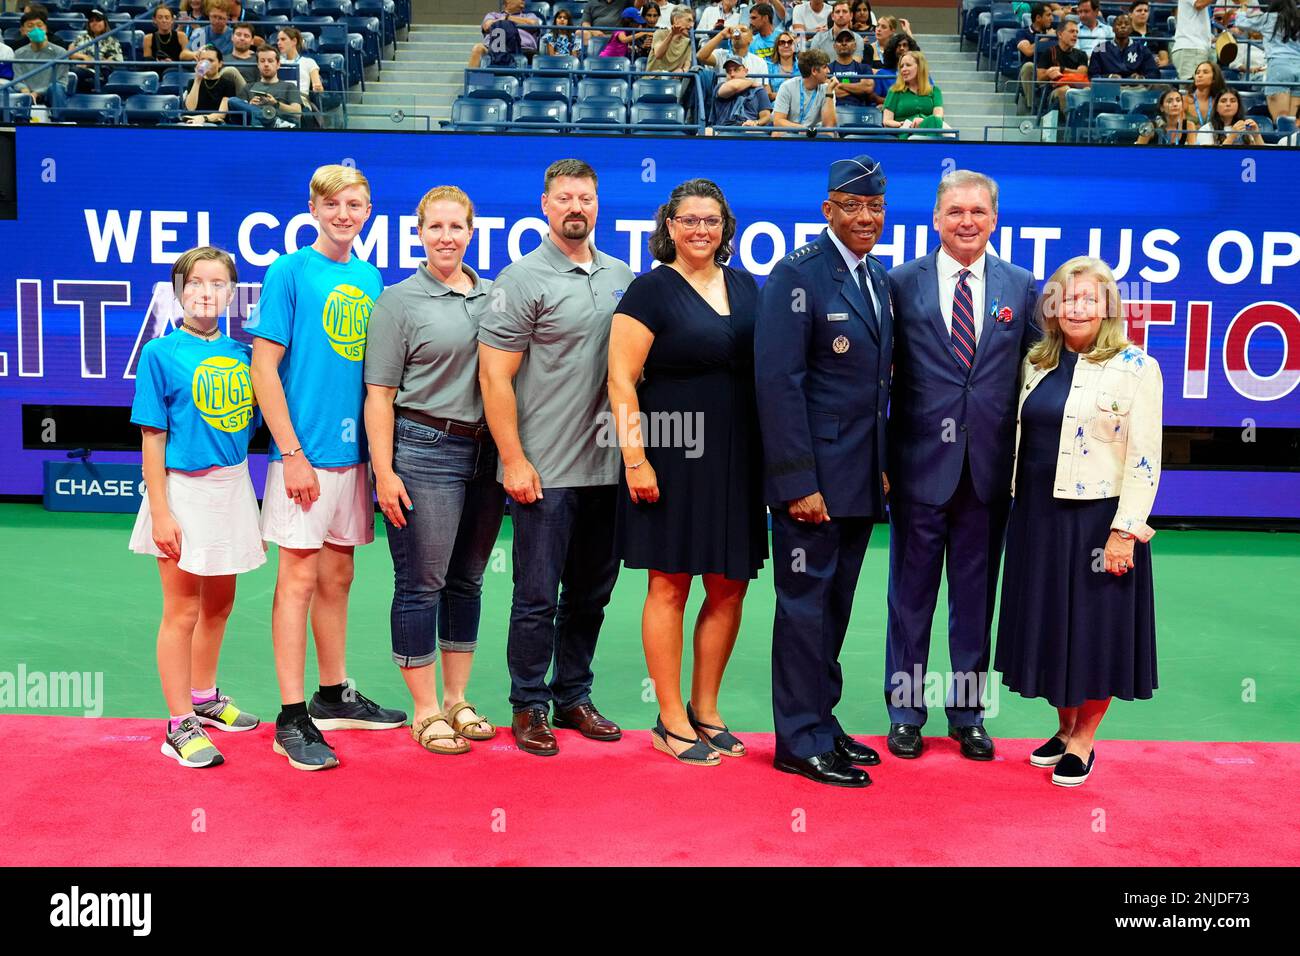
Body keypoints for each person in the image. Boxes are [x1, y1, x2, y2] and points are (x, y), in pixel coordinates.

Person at [247, 165, 407, 771]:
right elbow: (264, 369)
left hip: (353, 460)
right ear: (313, 206)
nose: (346, 214)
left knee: (338, 577)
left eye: (357, 205)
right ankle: (291, 718)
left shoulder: (369, 277)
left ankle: (334, 694)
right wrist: (291, 454)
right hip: (303, 457)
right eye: (335, 204)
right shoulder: (289, 271)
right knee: (297, 581)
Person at [477, 159, 636, 758]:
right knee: (536, 596)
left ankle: (573, 695)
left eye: (586, 198)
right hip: (543, 471)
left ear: (598, 205)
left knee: (592, 594)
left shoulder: (621, 276)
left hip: (607, 471)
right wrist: (513, 460)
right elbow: (495, 377)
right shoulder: (520, 280)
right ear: (545, 205)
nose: (577, 207)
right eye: (565, 197)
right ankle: (527, 703)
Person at [607, 180, 766, 766]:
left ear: (726, 227)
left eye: (711, 219)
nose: (701, 229)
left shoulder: (750, 287)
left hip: (739, 455)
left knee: (729, 583)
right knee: (669, 583)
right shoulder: (648, 290)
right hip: (670, 453)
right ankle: (670, 717)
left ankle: (706, 709)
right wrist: (635, 457)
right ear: (668, 225)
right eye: (689, 219)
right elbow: (621, 380)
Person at [883, 170, 1039, 762]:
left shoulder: (1021, 287)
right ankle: (904, 713)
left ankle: (968, 715)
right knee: (909, 600)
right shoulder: (899, 284)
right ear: (935, 219)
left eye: (977, 211)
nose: (966, 221)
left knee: (975, 602)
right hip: (918, 469)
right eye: (955, 212)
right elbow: (879, 380)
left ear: (994, 219)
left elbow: (1038, 374)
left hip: (988, 475)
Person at [996, 256, 1162, 788]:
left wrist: (1125, 531)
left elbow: (1145, 457)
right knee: (1047, 625)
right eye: (1066, 298)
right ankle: (1064, 728)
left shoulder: (1136, 367)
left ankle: (1086, 740)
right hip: (1037, 517)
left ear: (1109, 306)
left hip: (1097, 521)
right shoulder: (1036, 362)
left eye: (1089, 298)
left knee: (1095, 633)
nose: (1076, 307)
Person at [755, 155, 894, 788]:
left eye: (874, 207)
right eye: (852, 206)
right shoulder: (797, 276)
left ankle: (822, 719)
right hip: (812, 484)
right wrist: (797, 483)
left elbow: (877, 388)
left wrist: (882, 466)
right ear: (827, 210)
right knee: (804, 606)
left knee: (834, 607)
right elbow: (778, 386)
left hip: (860, 479)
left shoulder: (878, 280)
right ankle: (797, 739)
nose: (865, 217)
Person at [364, 187, 504, 757]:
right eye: (436, 227)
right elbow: (379, 395)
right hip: (422, 451)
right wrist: (384, 471)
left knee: (468, 579)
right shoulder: (398, 301)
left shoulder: (496, 296)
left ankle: (456, 698)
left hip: (488, 455)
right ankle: (424, 710)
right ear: (419, 233)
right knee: (422, 583)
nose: (447, 236)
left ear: (472, 231)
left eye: (457, 226)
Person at [129, 246, 266, 769]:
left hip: (233, 489)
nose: (206, 292)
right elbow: (152, 439)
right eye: (196, 283)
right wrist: (161, 511)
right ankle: (177, 722)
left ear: (231, 294)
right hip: (182, 493)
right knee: (182, 610)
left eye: (217, 284)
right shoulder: (160, 355)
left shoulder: (246, 355)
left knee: (219, 605)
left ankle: (205, 698)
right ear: (179, 291)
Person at [1233, 0, 1300, 121]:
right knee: (1295, 121)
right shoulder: (1298, 19)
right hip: (1298, 66)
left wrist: (1243, 8)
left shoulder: (1268, 18)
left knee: (1281, 119)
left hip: (1279, 66)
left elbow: (1241, 23)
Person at [227, 45, 301, 127]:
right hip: (253, 128)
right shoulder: (248, 87)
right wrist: (249, 105)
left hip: (278, 131)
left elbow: (297, 113)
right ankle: (272, 121)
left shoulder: (289, 86)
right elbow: (238, 114)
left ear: (278, 64)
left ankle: (269, 120)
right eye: (262, 61)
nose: (266, 64)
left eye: (270, 61)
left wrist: (275, 103)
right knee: (232, 100)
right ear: (258, 65)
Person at [772, 48, 837, 133]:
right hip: (791, 131)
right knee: (777, 133)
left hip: (816, 133)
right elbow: (778, 121)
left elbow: (829, 125)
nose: (828, 71)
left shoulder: (828, 88)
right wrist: (802, 129)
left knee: (829, 133)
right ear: (814, 71)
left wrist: (829, 93)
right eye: (824, 67)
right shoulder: (787, 86)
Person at [882, 50, 947, 134]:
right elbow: (886, 121)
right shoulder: (894, 91)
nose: (903, 69)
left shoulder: (935, 91)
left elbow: (938, 117)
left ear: (920, 67)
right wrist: (902, 124)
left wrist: (923, 122)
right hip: (907, 132)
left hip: (930, 130)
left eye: (908, 65)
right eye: (901, 66)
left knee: (935, 121)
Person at [10, 13, 68, 103]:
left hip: (50, 94)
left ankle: (58, 117)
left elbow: (61, 82)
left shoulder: (60, 52)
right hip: (26, 94)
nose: (36, 29)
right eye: (30, 26)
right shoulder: (19, 53)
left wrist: (38, 93)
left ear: (46, 28)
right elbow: (17, 79)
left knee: (56, 88)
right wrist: (24, 90)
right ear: (23, 30)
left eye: (39, 25)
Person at [1036, 18, 1089, 115]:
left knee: (1088, 90)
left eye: (1077, 32)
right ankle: (1070, 125)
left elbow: (1082, 73)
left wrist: (1062, 70)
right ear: (1060, 34)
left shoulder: (1081, 54)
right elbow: (1039, 79)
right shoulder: (1049, 52)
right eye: (1071, 31)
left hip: (1078, 87)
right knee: (1065, 90)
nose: (1075, 35)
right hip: (1054, 90)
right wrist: (1049, 74)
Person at [467, 0, 541, 68]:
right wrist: (503, 20)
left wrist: (508, 18)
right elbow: (487, 26)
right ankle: (474, 81)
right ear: (507, 1)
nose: (523, 0)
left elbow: (533, 24)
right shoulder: (493, 15)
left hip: (523, 50)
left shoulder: (529, 16)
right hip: (495, 50)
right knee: (478, 48)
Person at [1089, 13, 1160, 80]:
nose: (1123, 26)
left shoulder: (1142, 49)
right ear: (1113, 29)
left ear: (1131, 29)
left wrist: (1140, 78)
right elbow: (1092, 75)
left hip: (1136, 89)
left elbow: (1154, 73)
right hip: (1109, 87)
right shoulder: (1100, 48)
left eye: (1126, 24)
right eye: (1119, 24)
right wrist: (1109, 77)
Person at [708, 54, 774, 126]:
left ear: (745, 71)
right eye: (728, 71)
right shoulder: (720, 87)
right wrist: (751, 82)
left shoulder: (758, 90)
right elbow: (734, 87)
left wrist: (755, 123)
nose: (732, 74)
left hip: (749, 131)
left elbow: (766, 116)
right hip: (724, 131)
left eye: (736, 70)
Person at [69, 9, 123, 89]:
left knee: (74, 72)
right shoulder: (81, 37)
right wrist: (84, 57)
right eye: (91, 21)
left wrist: (91, 62)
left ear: (105, 23)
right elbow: (70, 52)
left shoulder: (111, 41)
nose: (94, 23)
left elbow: (117, 60)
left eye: (98, 20)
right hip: (77, 68)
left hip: (96, 73)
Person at [183, 45, 237, 124]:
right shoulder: (192, 82)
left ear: (220, 64)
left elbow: (221, 114)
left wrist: (203, 118)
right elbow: (190, 108)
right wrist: (197, 80)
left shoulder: (227, 84)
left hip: (213, 123)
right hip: (192, 121)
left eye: (210, 60)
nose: (206, 64)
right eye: (202, 60)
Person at [1017, 3, 1056, 111]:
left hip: (1051, 70)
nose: (1052, 18)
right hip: (1034, 71)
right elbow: (1028, 51)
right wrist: (1045, 39)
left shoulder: (1055, 33)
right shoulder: (1023, 33)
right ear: (1038, 18)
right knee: (1028, 66)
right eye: (1048, 15)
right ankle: (1032, 108)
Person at [1196, 86, 1268, 142]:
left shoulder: (1246, 128)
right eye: (1223, 101)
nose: (1228, 104)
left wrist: (1256, 135)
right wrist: (1232, 136)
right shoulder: (1206, 129)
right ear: (1216, 107)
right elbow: (1211, 158)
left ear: (1238, 106)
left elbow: (1263, 157)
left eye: (1233, 101)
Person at [828, 29, 874, 106]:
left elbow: (868, 87)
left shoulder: (864, 68)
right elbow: (831, 91)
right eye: (840, 41)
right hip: (834, 111)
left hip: (859, 112)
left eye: (848, 40)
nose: (844, 43)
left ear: (855, 46)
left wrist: (840, 85)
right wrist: (857, 89)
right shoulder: (827, 69)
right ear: (834, 46)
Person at [277, 27, 324, 101]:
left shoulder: (309, 62)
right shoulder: (276, 62)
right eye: (278, 40)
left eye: (283, 39)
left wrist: (318, 88)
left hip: (300, 99)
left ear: (294, 41)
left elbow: (319, 87)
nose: (279, 43)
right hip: (279, 98)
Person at [1172, 0, 1217, 79]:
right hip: (1191, 48)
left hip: (1194, 48)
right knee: (1190, 88)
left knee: (1198, 88)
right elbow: (1199, 4)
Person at [647, 6, 694, 71]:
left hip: (674, 80)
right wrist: (672, 34)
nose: (692, 25)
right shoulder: (659, 33)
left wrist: (682, 71)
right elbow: (658, 55)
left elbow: (687, 64)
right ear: (676, 20)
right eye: (689, 20)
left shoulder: (687, 41)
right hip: (653, 78)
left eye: (692, 22)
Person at [1185, 58, 1228, 125]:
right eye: (1197, 72)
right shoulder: (1184, 100)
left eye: (1205, 72)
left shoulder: (1220, 102)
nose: (1199, 75)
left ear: (1214, 78)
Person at [1129, 1, 1171, 68]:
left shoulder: (1158, 35)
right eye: (1139, 10)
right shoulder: (1125, 35)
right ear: (1130, 14)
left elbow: (1164, 60)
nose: (1143, 13)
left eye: (1146, 11)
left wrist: (1158, 63)